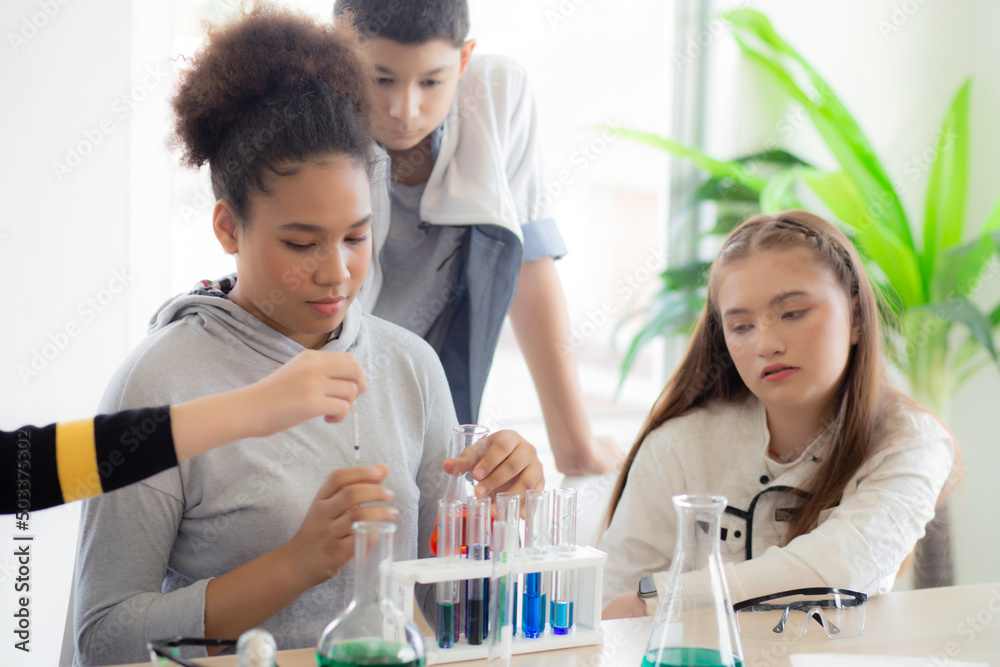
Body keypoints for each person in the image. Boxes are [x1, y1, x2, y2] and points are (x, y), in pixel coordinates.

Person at [72, 7, 543, 665]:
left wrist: (501, 512)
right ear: (228, 227)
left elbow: (454, 614)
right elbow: (102, 638)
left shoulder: (411, 366)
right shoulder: (158, 382)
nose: (337, 271)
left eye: (357, 235)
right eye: (301, 242)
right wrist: (296, 563)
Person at [600, 210, 955, 619]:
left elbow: (838, 569)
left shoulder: (913, 442)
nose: (766, 344)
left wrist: (663, 598)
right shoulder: (676, 448)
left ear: (856, 318)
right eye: (742, 327)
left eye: (792, 314)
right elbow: (612, 610)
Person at [332, 0, 621, 475]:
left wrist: (576, 445)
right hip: (332, 394)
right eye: (381, 79)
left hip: (435, 403)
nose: (406, 110)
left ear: (464, 60)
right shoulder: (308, 113)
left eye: (431, 81)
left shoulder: (497, 93)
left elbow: (527, 262)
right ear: (341, 54)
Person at [3, 349, 365, 514]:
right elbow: (21, 470)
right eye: (299, 243)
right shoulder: (157, 371)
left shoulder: (411, 358)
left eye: (356, 236)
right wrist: (250, 409)